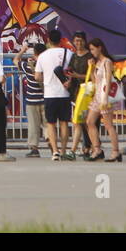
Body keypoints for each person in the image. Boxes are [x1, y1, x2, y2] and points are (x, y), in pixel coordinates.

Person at [35, 29, 74, 160]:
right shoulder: (68, 53)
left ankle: (55, 152)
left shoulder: (42, 56)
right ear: (61, 39)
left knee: (50, 124)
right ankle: (63, 151)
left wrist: (46, 78)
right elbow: (73, 72)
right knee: (64, 123)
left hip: (50, 94)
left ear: (48, 40)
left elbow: (37, 76)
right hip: (65, 93)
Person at [84, 39, 122, 162]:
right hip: (97, 96)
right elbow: (95, 81)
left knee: (108, 124)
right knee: (90, 121)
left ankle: (116, 151)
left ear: (100, 47)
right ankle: (97, 149)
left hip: (104, 96)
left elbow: (108, 80)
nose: (92, 52)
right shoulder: (98, 63)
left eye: (93, 49)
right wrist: (91, 67)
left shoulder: (107, 62)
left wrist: (105, 98)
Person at [65, 31, 92, 159]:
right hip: (76, 92)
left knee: (84, 121)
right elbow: (71, 70)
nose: (78, 43)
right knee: (80, 121)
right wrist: (70, 80)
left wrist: (77, 76)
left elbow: (92, 76)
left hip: (87, 92)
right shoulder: (74, 56)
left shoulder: (89, 56)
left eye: (80, 41)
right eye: (76, 41)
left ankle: (83, 147)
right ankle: (85, 147)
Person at [19, 40, 47, 157]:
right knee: (47, 124)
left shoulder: (28, 66)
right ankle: (52, 144)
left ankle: (34, 148)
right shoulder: (48, 65)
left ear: (34, 53)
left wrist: (23, 50)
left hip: (31, 100)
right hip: (45, 99)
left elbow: (16, 60)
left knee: (33, 125)